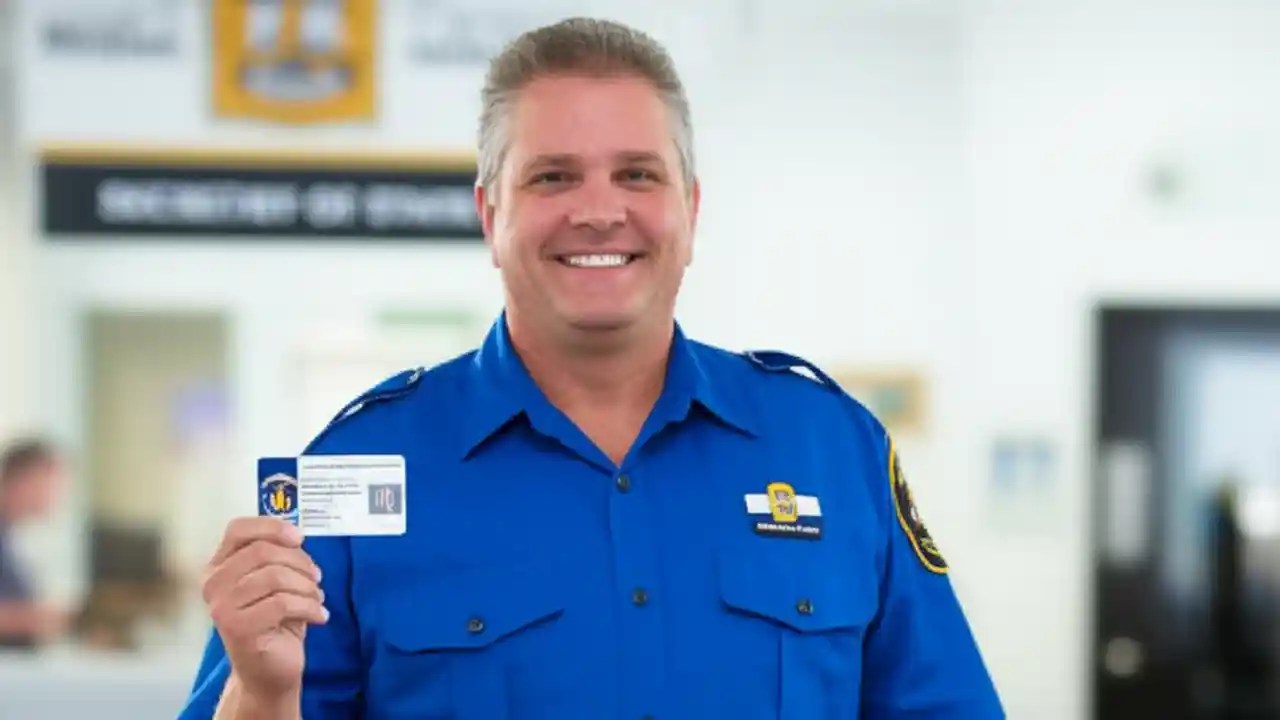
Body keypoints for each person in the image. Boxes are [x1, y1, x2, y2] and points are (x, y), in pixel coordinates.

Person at [180, 17, 1004, 719]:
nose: (601, 210)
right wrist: (259, 693)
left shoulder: (832, 447)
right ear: (490, 214)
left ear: (690, 208)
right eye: (554, 177)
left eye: (637, 174)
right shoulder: (360, 468)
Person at [0, 438, 69, 650]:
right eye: (52, 483)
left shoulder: (9, 536)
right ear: (24, 481)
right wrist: (39, 619)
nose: (59, 494)